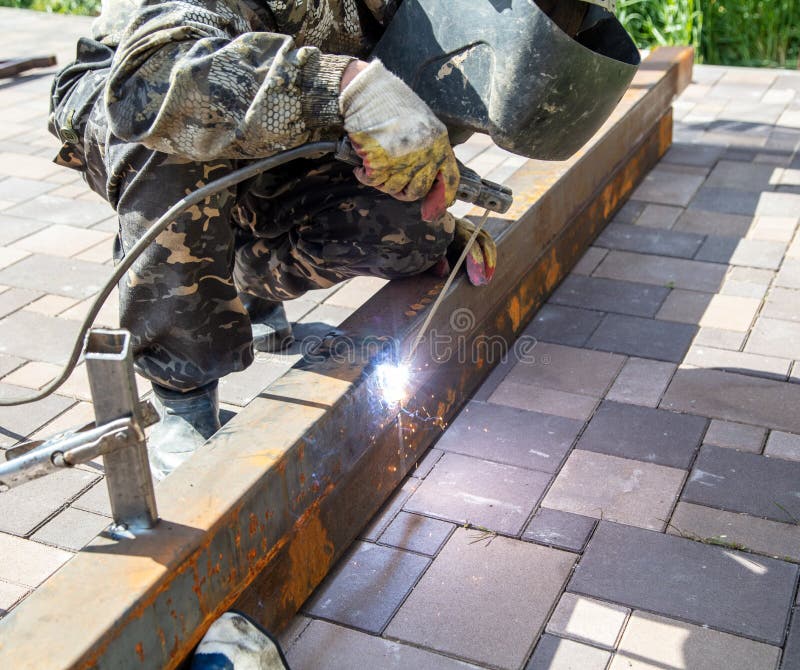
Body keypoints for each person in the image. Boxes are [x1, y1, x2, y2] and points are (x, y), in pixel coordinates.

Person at [48, 0, 497, 480]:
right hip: (141, 102)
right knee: (178, 133)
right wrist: (347, 87)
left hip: (285, 125)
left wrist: (427, 191)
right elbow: (151, 80)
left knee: (407, 232)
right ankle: (185, 396)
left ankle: (236, 281)